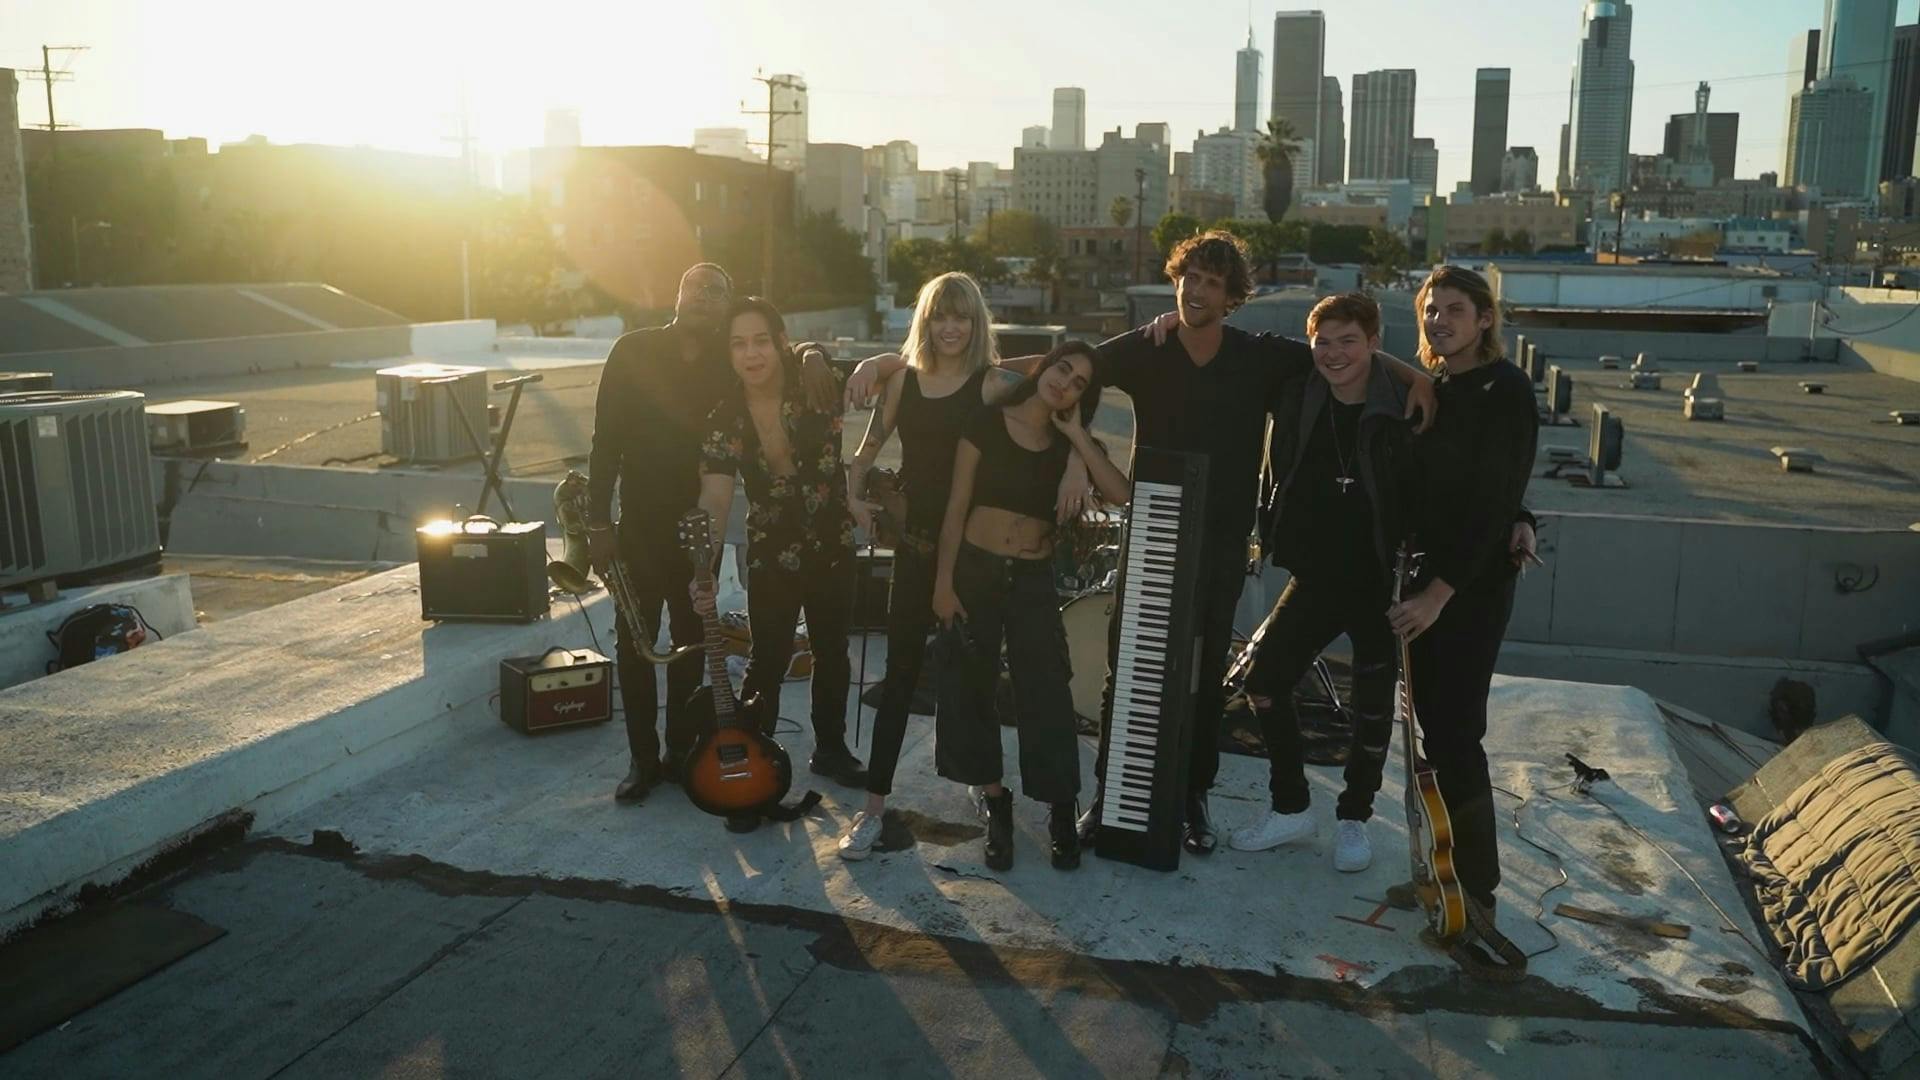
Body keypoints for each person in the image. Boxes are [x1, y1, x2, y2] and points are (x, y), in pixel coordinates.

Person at [1079, 231, 1437, 855]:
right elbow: (1067, 371)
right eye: (1189, 278)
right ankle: (1110, 796)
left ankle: (1196, 800)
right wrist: (903, 363)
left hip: (1223, 540)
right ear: (1176, 280)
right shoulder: (1147, 346)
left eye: (1213, 283)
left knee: (1206, 677)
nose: (1197, 290)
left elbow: (1347, 356)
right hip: (1155, 527)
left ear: (1232, 295)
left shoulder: (1261, 355)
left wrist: (1422, 382)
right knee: (1128, 668)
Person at [586, 265, 840, 803]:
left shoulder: (728, 366)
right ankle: (641, 758)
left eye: (717, 292)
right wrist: (596, 523)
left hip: (699, 528)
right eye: (696, 288)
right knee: (635, 645)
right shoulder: (632, 351)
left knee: (690, 641)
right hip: (638, 526)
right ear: (676, 295)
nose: (706, 298)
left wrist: (814, 351)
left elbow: (774, 355)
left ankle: (680, 751)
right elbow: (604, 442)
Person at [835, 272, 1054, 861]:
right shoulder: (903, 382)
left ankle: (994, 796)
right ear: (926, 321)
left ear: (977, 323)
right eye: (940, 316)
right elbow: (869, 447)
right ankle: (874, 809)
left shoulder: (989, 384)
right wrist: (855, 494)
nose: (950, 327)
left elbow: (1056, 379)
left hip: (971, 552)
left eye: (961, 316)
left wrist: (1081, 465)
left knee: (973, 678)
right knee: (899, 675)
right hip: (913, 545)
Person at [1226, 293, 1418, 871]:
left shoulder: (1405, 406)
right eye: (1323, 341)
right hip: (1315, 575)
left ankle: (1355, 817)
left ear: (1375, 344)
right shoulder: (1298, 391)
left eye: (1349, 341)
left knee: (1374, 706)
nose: (1334, 355)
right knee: (1264, 682)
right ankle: (1291, 807)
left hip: (1381, 583)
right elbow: (1242, 346)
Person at [929, 341, 1132, 871]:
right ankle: (996, 801)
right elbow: (955, 506)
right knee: (969, 686)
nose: (1064, 382)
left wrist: (1074, 444)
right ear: (1044, 365)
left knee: (1046, 690)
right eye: (1062, 368)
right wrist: (943, 583)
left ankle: (1061, 809)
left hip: (1032, 580)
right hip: (974, 571)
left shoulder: (1068, 443)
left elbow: (1120, 492)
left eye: (1079, 382)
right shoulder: (988, 420)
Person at [1385, 265, 1540, 929]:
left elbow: (1492, 501)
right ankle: (1440, 873)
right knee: (1433, 735)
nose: (1439, 320)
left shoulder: (1506, 389)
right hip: (1427, 583)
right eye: (1429, 309)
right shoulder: (1442, 385)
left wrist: (1439, 596)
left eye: (1454, 309)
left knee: (1457, 738)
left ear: (1484, 319)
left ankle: (1477, 889)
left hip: (1467, 592)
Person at [690, 296, 868, 791]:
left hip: (832, 539)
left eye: (761, 341)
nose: (752, 354)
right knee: (767, 657)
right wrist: (701, 567)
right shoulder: (725, 416)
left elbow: (896, 371)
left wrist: (813, 353)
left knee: (834, 651)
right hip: (772, 546)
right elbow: (715, 496)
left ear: (780, 342)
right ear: (728, 355)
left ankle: (831, 749)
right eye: (739, 344)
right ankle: (754, 758)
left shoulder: (818, 378)